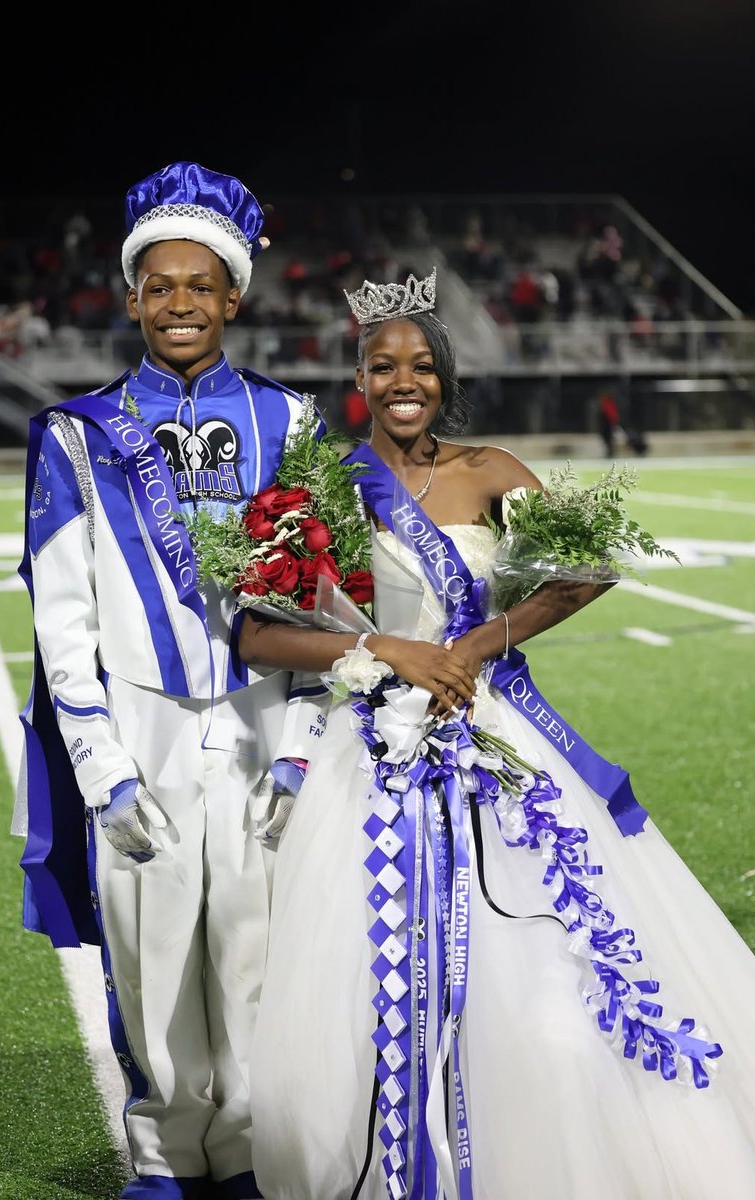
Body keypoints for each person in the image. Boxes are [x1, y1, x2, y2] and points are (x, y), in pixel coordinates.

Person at [238, 268, 755, 1198]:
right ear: (359, 377)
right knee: (370, 976)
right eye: (384, 364)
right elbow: (257, 630)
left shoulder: (489, 470)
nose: (406, 381)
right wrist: (394, 651)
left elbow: (586, 567)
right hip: (371, 750)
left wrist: (478, 640)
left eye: (423, 365)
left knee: (545, 964)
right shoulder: (321, 486)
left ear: (444, 377)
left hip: (495, 730)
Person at [14, 160, 327, 1200]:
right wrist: (98, 761)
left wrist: (296, 752)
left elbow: (324, 602)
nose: (180, 304)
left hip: (256, 720)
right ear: (132, 295)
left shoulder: (295, 424)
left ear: (233, 296)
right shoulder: (75, 434)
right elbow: (62, 613)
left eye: (201, 286)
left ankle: (239, 1146)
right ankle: (160, 1151)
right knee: (150, 953)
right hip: (138, 721)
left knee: (253, 948)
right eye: (160, 286)